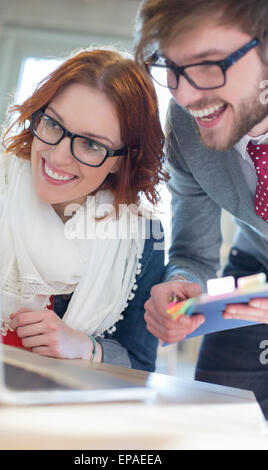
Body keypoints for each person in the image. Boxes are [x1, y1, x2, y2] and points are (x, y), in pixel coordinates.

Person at [0, 47, 167, 372]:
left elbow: (140, 364)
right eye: (54, 125)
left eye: (91, 144)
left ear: (122, 160)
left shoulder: (142, 237)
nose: (57, 157)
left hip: (62, 410)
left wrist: (86, 348)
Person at [135, 0, 268, 415]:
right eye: (169, 66)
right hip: (256, 266)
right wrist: (182, 284)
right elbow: (193, 252)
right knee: (219, 417)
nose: (185, 94)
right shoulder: (187, 126)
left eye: (209, 64)